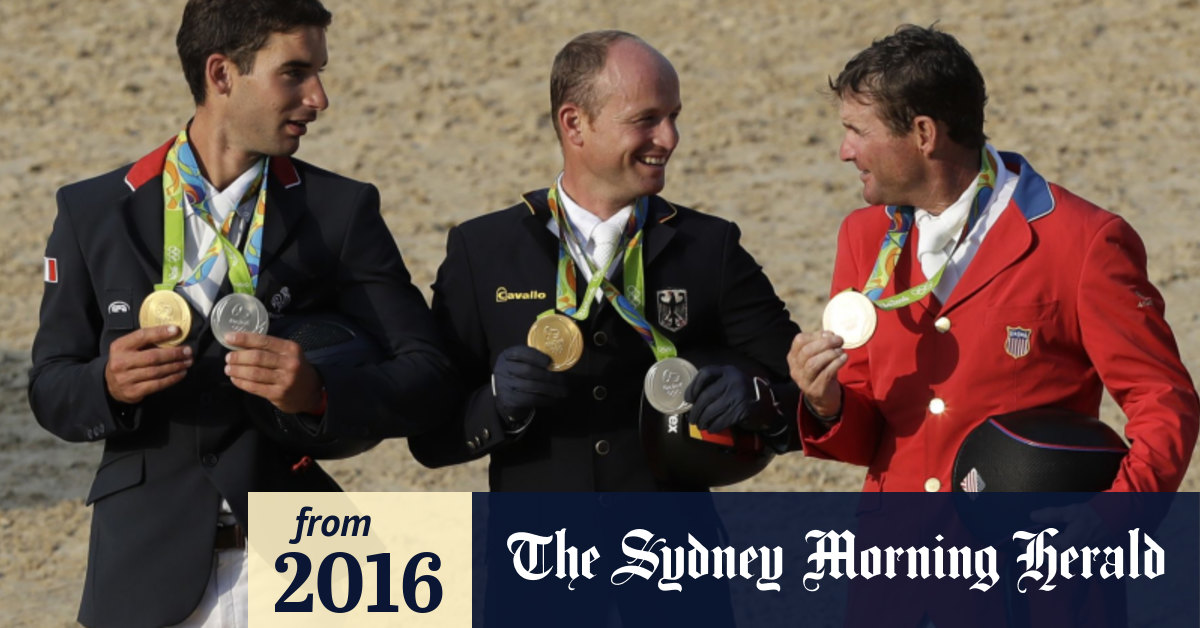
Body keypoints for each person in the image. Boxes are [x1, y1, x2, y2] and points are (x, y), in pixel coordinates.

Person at [28, 1, 454, 626]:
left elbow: (430, 376)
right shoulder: (93, 213)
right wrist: (107, 385)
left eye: (320, 72)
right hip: (143, 572)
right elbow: (48, 387)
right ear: (222, 74)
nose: (320, 97)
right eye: (296, 73)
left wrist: (318, 394)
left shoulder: (341, 211)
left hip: (308, 573)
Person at [788, 24, 1199, 494]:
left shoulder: (1082, 241)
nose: (845, 152)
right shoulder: (862, 237)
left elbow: (1163, 401)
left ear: (924, 134)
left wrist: (1112, 515)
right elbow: (875, 438)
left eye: (857, 132)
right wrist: (828, 402)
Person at [408, 30, 800, 491]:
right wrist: (495, 403)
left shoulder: (710, 247)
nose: (669, 138)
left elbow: (812, 401)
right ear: (574, 123)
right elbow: (430, 438)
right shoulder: (482, 251)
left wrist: (761, 401)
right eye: (646, 119)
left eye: (673, 116)